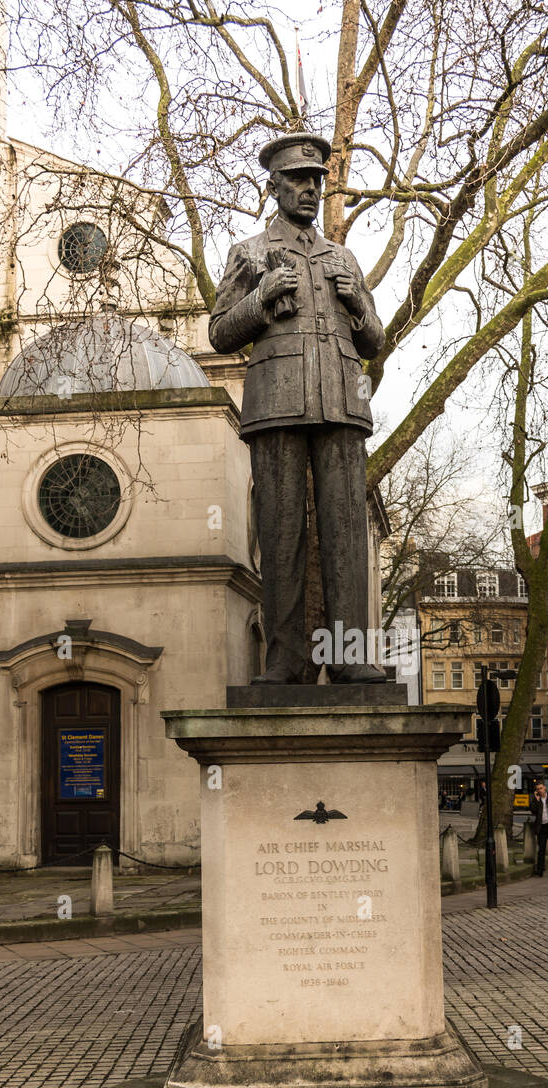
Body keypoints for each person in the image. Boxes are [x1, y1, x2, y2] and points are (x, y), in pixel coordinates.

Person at [208, 134, 386, 684]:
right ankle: (284, 659)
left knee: (346, 535)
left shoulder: (344, 258)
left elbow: (375, 339)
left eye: (317, 182)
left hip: (340, 403)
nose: (310, 190)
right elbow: (218, 333)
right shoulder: (250, 253)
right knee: (280, 532)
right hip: (276, 403)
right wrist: (261, 298)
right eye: (298, 181)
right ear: (275, 186)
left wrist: (356, 300)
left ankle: (351, 655)